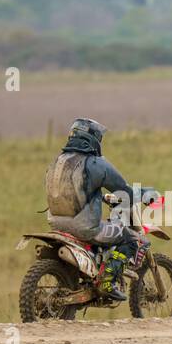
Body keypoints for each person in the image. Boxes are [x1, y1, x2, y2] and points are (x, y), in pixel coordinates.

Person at [44, 118, 140, 301]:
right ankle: (107, 282)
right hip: (84, 227)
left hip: (56, 225)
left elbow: (71, 192)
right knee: (130, 239)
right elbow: (123, 189)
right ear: (92, 138)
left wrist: (99, 196)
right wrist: (143, 194)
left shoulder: (57, 161)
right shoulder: (94, 163)